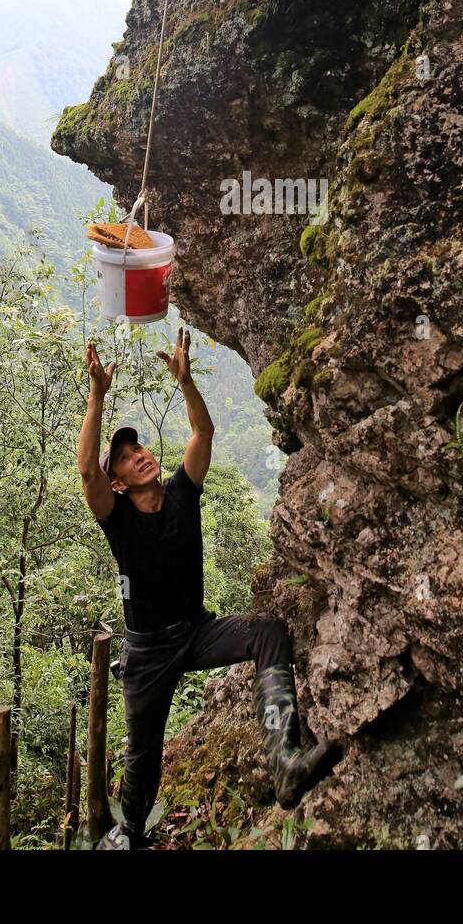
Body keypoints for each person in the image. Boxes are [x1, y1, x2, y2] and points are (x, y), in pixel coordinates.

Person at [77, 331, 340, 849]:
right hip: (148, 651)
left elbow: (203, 430)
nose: (140, 456)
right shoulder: (117, 519)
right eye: (127, 458)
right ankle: (129, 832)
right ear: (120, 484)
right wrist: (97, 395)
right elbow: (87, 469)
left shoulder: (181, 492)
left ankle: (285, 761)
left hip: (197, 631)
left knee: (267, 633)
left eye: (140, 448)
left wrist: (187, 381)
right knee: (143, 754)